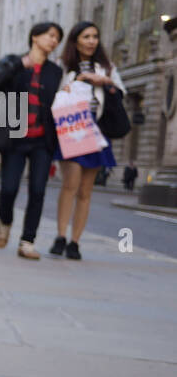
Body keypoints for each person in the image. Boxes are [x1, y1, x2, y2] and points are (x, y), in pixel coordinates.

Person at [0, 21, 64, 259]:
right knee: (9, 189)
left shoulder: (55, 72)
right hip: (15, 138)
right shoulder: (13, 61)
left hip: (43, 140)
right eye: (50, 35)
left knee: (38, 191)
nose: (54, 41)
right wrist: (18, 66)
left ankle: (27, 241)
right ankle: (5, 219)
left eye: (57, 38)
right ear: (35, 37)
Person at [48, 22, 125, 260]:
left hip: (96, 128)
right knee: (70, 183)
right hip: (71, 126)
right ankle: (60, 236)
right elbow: (54, 95)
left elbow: (122, 92)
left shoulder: (107, 68)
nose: (91, 41)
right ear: (76, 40)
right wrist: (78, 80)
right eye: (86, 36)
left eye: (95, 36)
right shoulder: (63, 66)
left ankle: (75, 242)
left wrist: (106, 82)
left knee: (85, 190)